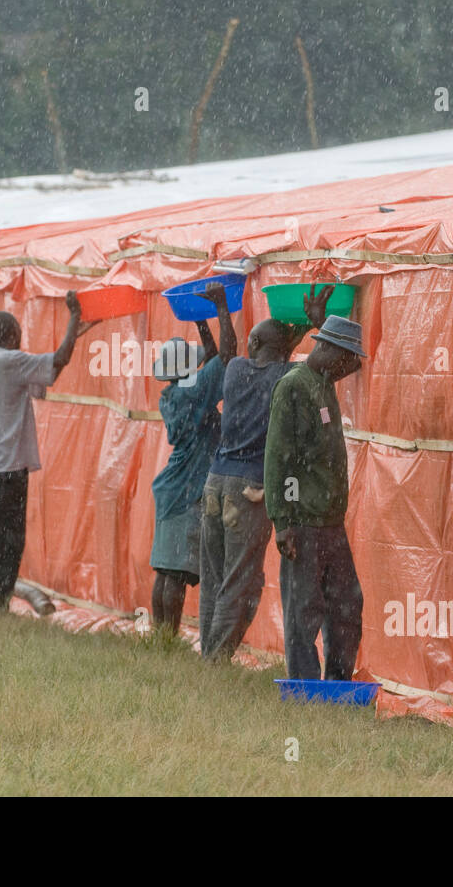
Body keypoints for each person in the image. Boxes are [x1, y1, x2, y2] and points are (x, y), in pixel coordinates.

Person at [199, 285, 334, 662]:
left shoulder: (237, 368)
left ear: (254, 343)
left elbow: (229, 349)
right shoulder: (287, 378)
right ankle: (215, 661)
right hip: (250, 490)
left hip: (216, 482)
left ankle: (208, 654)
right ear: (285, 350)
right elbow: (325, 361)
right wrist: (315, 323)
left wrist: (223, 308)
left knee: (214, 576)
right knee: (240, 580)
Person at [264, 314, 367, 681]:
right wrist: (284, 522)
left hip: (330, 522)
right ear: (323, 348)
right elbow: (281, 459)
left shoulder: (325, 382)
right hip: (303, 521)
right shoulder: (294, 386)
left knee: (347, 603)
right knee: (303, 610)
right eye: (343, 358)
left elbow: (352, 361)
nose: (347, 367)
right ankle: (305, 687)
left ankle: (337, 683)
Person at [0, 292, 91, 612]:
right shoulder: (7, 361)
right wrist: (73, 318)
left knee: (2, 534)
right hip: (3, 467)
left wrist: (73, 335)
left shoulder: (0, 362)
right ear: (12, 334)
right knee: (5, 536)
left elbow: (49, 373)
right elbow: (58, 360)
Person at [148, 283, 235, 635]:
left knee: (165, 568)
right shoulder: (193, 391)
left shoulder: (174, 393)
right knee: (177, 573)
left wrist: (203, 320)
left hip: (173, 487)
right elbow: (226, 358)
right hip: (187, 490)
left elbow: (213, 360)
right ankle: (166, 638)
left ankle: (160, 637)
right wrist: (222, 308)